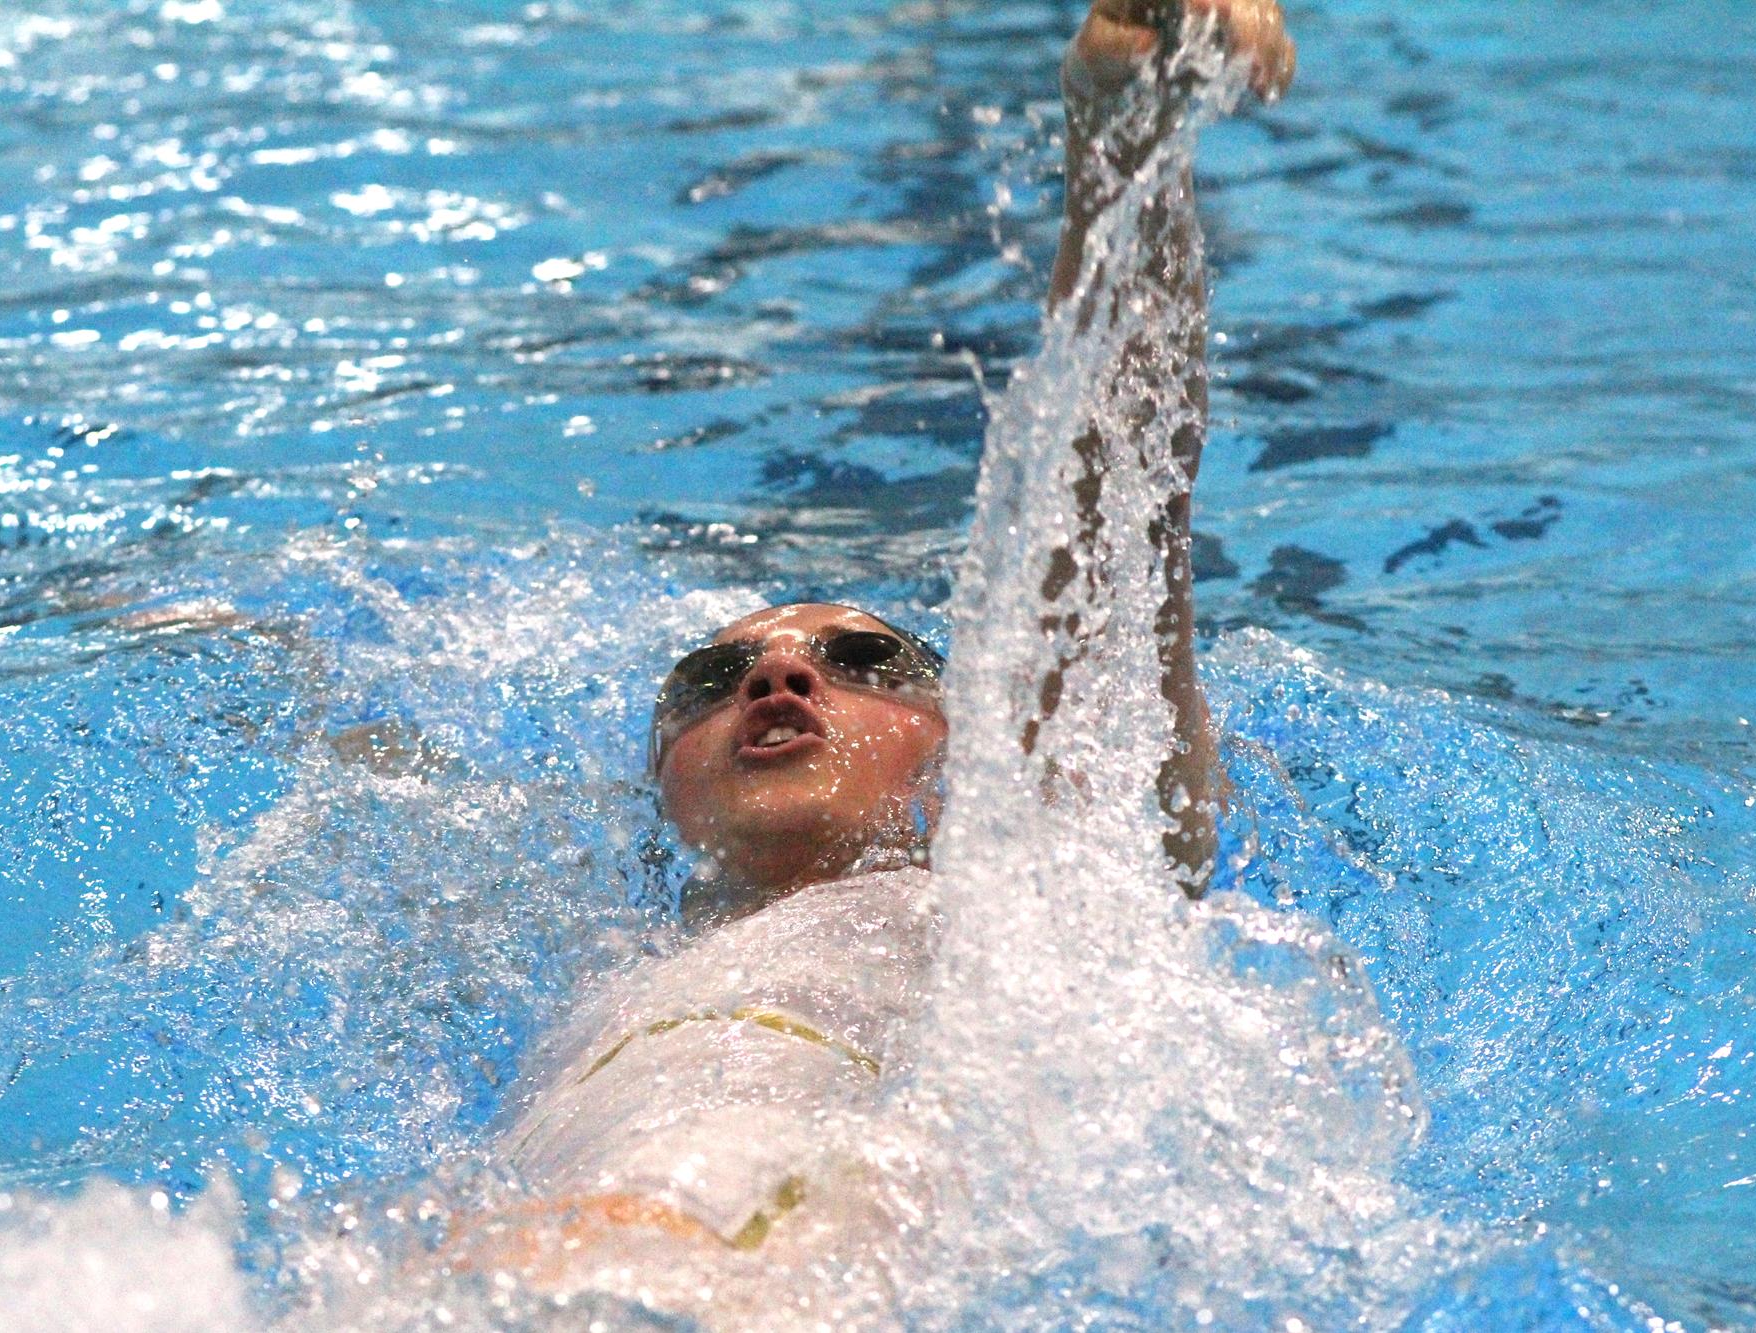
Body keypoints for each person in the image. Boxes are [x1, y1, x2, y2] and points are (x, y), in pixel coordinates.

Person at [439, 0, 1296, 1309]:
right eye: (712, 679)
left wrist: (1120, 141)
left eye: (863, 659)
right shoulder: (582, 948)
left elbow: (1130, 505)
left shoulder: (1023, 893)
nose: (780, 679)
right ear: (658, 778)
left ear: (967, 739)